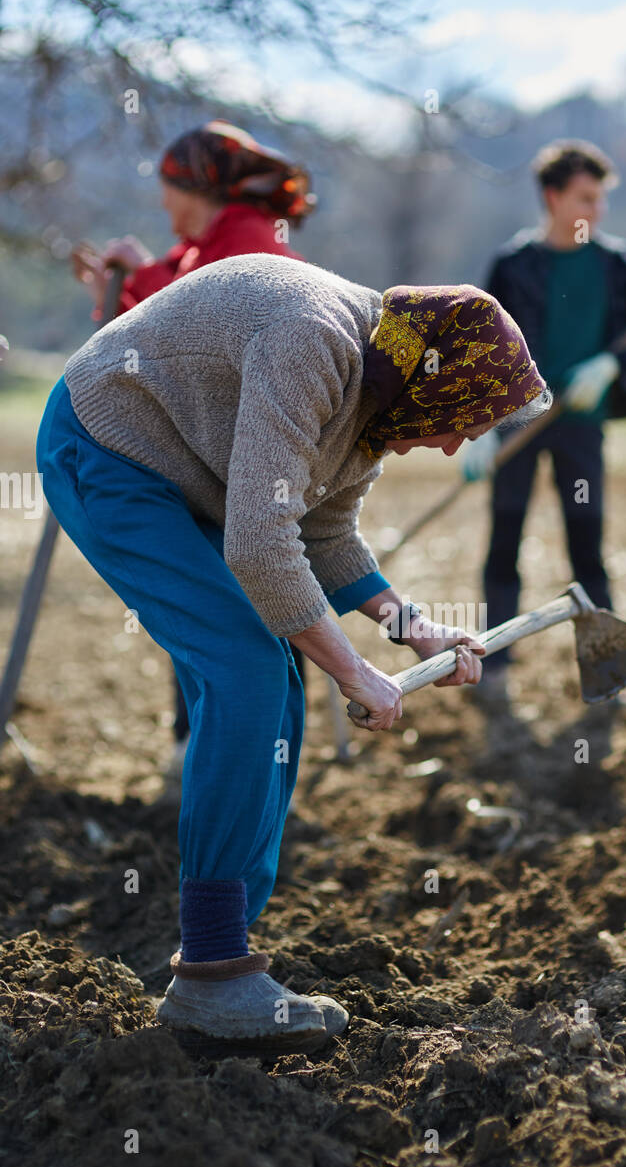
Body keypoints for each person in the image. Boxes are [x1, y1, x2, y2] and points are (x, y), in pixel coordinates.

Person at [35, 255, 548, 1053]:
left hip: (191, 476)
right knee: (243, 670)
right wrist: (354, 671)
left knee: (273, 671)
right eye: (465, 422)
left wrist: (412, 627)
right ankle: (211, 972)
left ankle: (227, 948)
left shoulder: (383, 391)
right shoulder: (313, 343)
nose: (453, 448)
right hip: (111, 446)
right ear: (439, 384)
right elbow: (260, 544)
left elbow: (325, 532)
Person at [70, 120, 316, 769]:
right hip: (204, 457)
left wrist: (130, 282)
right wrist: (116, 287)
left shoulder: (245, 246)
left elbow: (178, 318)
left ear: (197, 187)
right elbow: (149, 325)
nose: (162, 204)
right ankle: (207, 750)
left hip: (243, 459)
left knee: (254, 605)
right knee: (209, 608)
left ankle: (258, 759)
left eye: (168, 188)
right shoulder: (209, 244)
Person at [470, 139, 626, 706]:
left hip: (581, 423)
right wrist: (479, 429)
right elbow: (480, 347)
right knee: (505, 540)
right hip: (517, 420)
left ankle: (608, 669)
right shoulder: (512, 265)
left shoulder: (616, 264)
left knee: (586, 542)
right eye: (586, 198)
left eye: (601, 199)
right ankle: (494, 668)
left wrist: (608, 364)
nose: (596, 211)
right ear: (553, 197)